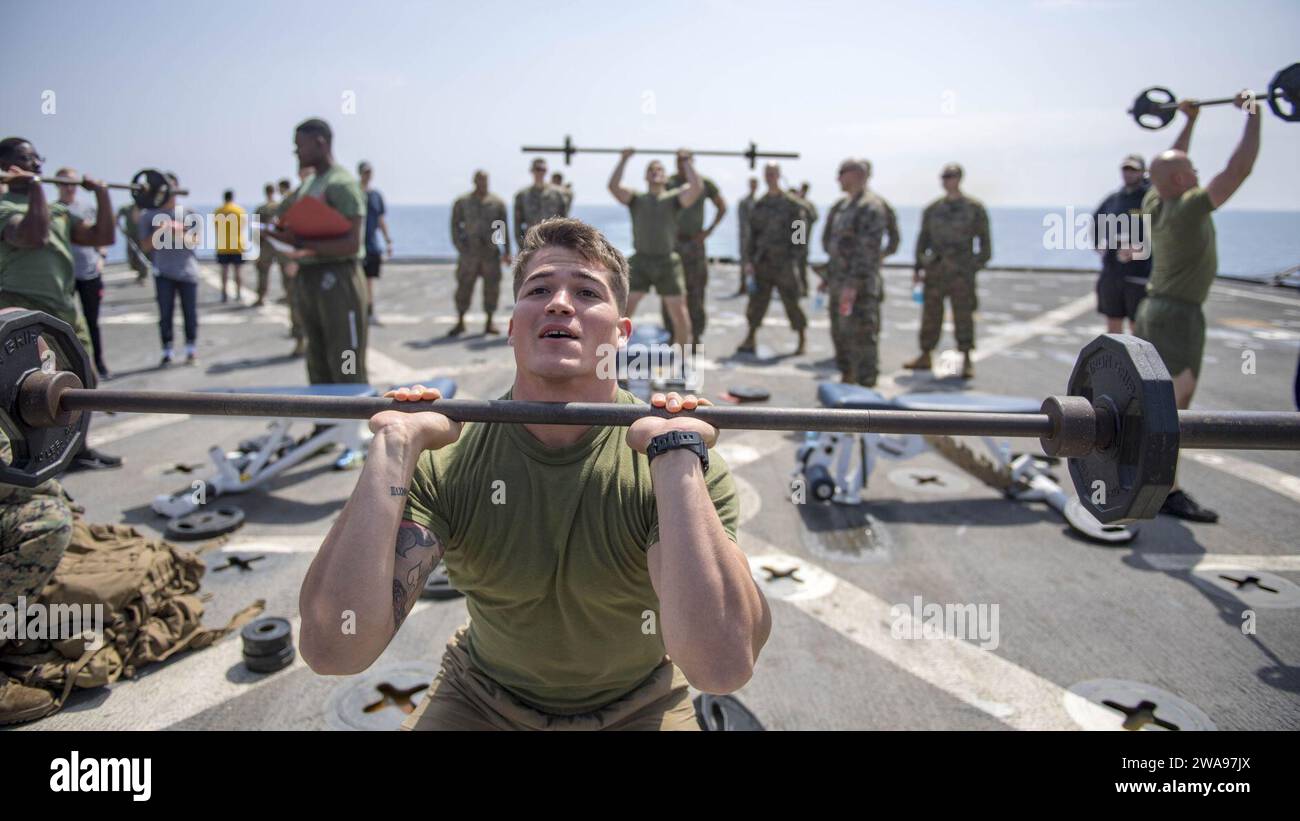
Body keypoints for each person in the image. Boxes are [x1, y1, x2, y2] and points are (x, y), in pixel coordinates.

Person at [298, 217, 771, 731]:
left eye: (587, 292)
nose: (559, 303)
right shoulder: (442, 458)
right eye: (539, 289)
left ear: (621, 333)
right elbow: (333, 649)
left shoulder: (675, 461)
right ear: (512, 325)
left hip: (641, 700)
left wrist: (677, 458)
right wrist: (393, 446)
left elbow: (721, 665)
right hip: (480, 696)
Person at [1135, 91, 1260, 523]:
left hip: (1154, 309)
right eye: (1191, 171)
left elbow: (1169, 164)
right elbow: (1238, 170)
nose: (1198, 172)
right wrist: (1253, 116)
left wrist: (1190, 120)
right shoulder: (1188, 207)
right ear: (1180, 181)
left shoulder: (1157, 203)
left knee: (1156, 404)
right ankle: (1164, 489)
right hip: (1178, 316)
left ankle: (1141, 473)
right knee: (1174, 408)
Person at [0, 137, 121, 472]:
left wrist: (101, 194)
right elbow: (33, 235)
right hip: (23, 313)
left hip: (64, 311)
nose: (37, 163)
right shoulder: (4, 208)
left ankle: (76, 448)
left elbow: (102, 237)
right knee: (25, 391)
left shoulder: (57, 212)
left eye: (39, 158)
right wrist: (36, 187)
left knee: (84, 381)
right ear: (7, 165)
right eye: (27, 159)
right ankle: (28, 458)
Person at [265, 119, 369, 384]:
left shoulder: (341, 183)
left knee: (345, 360)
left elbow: (352, 243)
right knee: (317, 356)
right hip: (311, 279)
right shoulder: (311, 183)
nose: (296, 152)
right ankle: (325, 424)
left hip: (338, 280)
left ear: (320, 143)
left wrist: (305, 248)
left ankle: (349, 424)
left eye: (300, 145)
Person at [607, 149, 703, 346]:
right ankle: (611, 362)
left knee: (680, 314)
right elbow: (613, 187)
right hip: (641, 260)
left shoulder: (673, 198)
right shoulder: (637, 199)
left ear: (666, 176)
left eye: (660, 169)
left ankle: (682, 364)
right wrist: (624, 159)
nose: (655, 172)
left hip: (667, 262)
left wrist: (686, 162)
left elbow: (696, 188)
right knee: (623, 312)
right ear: (645, 176)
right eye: (651, 169)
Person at [904, 163, 990, 380]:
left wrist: (971, 267)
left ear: (959, 178)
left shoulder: (974, 208)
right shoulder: (932, 209)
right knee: (931, 315)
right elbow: (922, 240)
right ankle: (925, 354)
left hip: (962, 274)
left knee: (963, 315)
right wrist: (919, 266)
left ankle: (967, 358)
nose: (946, 180)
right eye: (944, 177)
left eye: (950, 176)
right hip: (936, 272)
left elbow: (985, 246)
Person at [822, 158, 899, 387]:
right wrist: (830, 274)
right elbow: (831, 242)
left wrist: (854, 282)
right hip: (839, 281)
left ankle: (867, 397)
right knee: (841, 335)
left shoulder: (871, 206)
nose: (838, 178)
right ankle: (848, 381)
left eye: (841, 173)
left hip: (860, 287)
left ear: (857, 174)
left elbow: (872, 248)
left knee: (863, 338)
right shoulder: (842, 206)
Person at [737, 162, 806, 356]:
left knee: (792, 302)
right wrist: (749, 260)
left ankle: (801, 337)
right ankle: (750, 337)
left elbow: (799, 232)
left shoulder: (792, 204)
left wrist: (794, 256)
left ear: (779, 175)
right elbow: (752, 235)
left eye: (773, 174)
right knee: (756, 303)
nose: (770, 177)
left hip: (784, 262)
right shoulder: (760, 204)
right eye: (767, 174)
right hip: (763, 262)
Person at [659, 155, 726, 346]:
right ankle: (673, 334)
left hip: (694, 244)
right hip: (671, 245)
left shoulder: (703, 184)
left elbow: (721, 206)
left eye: (686, 161)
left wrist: (708, 231)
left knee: (696, 293)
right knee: (670, 292)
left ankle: (695, 336)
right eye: (679, 161)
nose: (682, 165)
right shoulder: (669, 183)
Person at [139, 172, 201, 366]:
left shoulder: (189, 212)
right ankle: (167, 350)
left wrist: (178, 230)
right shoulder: (148, 215)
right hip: (163, 272)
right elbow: (145, 247)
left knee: (189, 313)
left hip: (187, 272)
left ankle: (191, 349)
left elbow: (195, 241)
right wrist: (161, 230)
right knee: (165, 314)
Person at [56, 168, 111, 378]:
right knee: (64, 323)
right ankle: (70, 367)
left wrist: (102, 259)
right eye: (64, 183)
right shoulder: (53, 210)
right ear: (57, 185)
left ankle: (98, 364)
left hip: (90, 273)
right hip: (65, 277)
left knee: (91, 322)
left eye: (72, 183)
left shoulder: (87, 208)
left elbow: (103, 236)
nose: (69, 188)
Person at [1093, 155, 1152, 333]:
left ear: (1142, 172)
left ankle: (1135, 360)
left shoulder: (1150, 199)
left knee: (1137, 326)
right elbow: (1096, 220)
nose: (1128, 174)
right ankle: (1116, 360)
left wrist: (1142, 249)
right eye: (1125, 169)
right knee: (1113, 320)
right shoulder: (1114, 199)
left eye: (1133, 170)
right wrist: (1098, 244)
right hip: (1113, 271)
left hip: (1139, 273)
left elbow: (1163, 229)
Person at [448, 170, 511, 337]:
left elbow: (502, 228)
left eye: (485, 180)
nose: (483, 183)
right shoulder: (462, 202)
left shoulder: (497, 203)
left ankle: (490, 321)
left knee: (492, 288)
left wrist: (506, 251)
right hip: (469, 255)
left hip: (490, 254)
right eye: (480, 180)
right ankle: (460, 320)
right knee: (464, 287)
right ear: (474, 181)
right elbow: (455, 226)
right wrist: (461, 247)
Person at [359, 161, 393, 326]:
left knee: (369, 280)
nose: (367, 175)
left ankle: (369, 310)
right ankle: (358, 310)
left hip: (371, 245)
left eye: (369, 172)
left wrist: (388, 240)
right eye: (365, 172)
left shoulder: (375, 196)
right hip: (356, 246)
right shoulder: (354, 193)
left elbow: (380, 219)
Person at [275, 176, 305, 355]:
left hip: (318, 261)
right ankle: (301, 339)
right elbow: (282, 229)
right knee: (295, 302)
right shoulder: (290, 201)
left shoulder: (324, 192)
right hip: (296, 259)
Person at [514, 158, 569, 252]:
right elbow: (517, 224)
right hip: (530, 245)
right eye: (537, 169)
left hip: (553, 243)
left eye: (542, 169)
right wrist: (522, 245)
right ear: (532, 171)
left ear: (546, 171)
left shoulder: (558, 194)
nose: (540, 172)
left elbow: (564, 221)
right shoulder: (522, 195)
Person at [214, 190, 247, 303]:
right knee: (238, 270)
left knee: (224, 270)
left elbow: (216, 226)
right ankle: (238, 293)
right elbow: (243, 225)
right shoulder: (239, 210)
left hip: (223, 245)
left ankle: (224, 293)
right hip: (237, 244)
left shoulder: (218, 211)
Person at [791, 182, 818, 296]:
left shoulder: (807, 204)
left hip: (803, 237)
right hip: (795, 236)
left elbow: (814, 217)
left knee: (801, 265)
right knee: (794, 265)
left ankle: (803, 288)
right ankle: (797, 288)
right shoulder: (796, 203)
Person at [115, 201, 150, 284]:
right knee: (131, 255)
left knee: (142, 255)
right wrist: (121, 228)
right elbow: (117, 217)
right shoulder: (127, 208)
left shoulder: (145, 208)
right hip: (131, 235)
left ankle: (143, 275)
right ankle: (138, 271)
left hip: (142, 235)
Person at [736, 177, 758, 295]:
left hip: (758, 239)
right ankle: (744, 285)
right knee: (745, 262)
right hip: (746, 237)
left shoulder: (760, 201)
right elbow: (742, 222)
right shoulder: (744, 202)